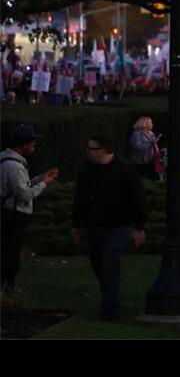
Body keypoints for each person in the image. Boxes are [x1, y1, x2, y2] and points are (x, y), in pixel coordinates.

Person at [71, 136, 146, 320]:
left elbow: (137, 198)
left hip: (117, 225)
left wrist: (139, 226)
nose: (88, 151)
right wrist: (76, 224)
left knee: (110, 264)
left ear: (103, 150)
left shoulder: (124, 170)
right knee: (98, 263)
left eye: (92, 148)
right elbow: (80, 197)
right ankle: (109, 299)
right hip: (94, 224)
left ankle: (109, 308)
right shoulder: (87, 169)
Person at [1, 124, 58, 293]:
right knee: (10, 251)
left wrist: (41, 178)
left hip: (9, 211)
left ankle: (7, 285)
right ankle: (7, 286)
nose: (34, 145)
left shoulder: (7, 161)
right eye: (32, 141)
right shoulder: (14, 166)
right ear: (24, 143)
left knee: (8, 250)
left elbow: (20, 187)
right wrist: (44, 183)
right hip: (13, 214)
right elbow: (25, 194)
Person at [129, 116, 160, 180]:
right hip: (140, 163)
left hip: (151, 161)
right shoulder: (136, 134)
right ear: (144, 124)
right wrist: (151, 143)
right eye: (150, 122)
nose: (152, 124)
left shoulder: (151, 133)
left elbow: (154, 146)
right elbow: (137, 147)